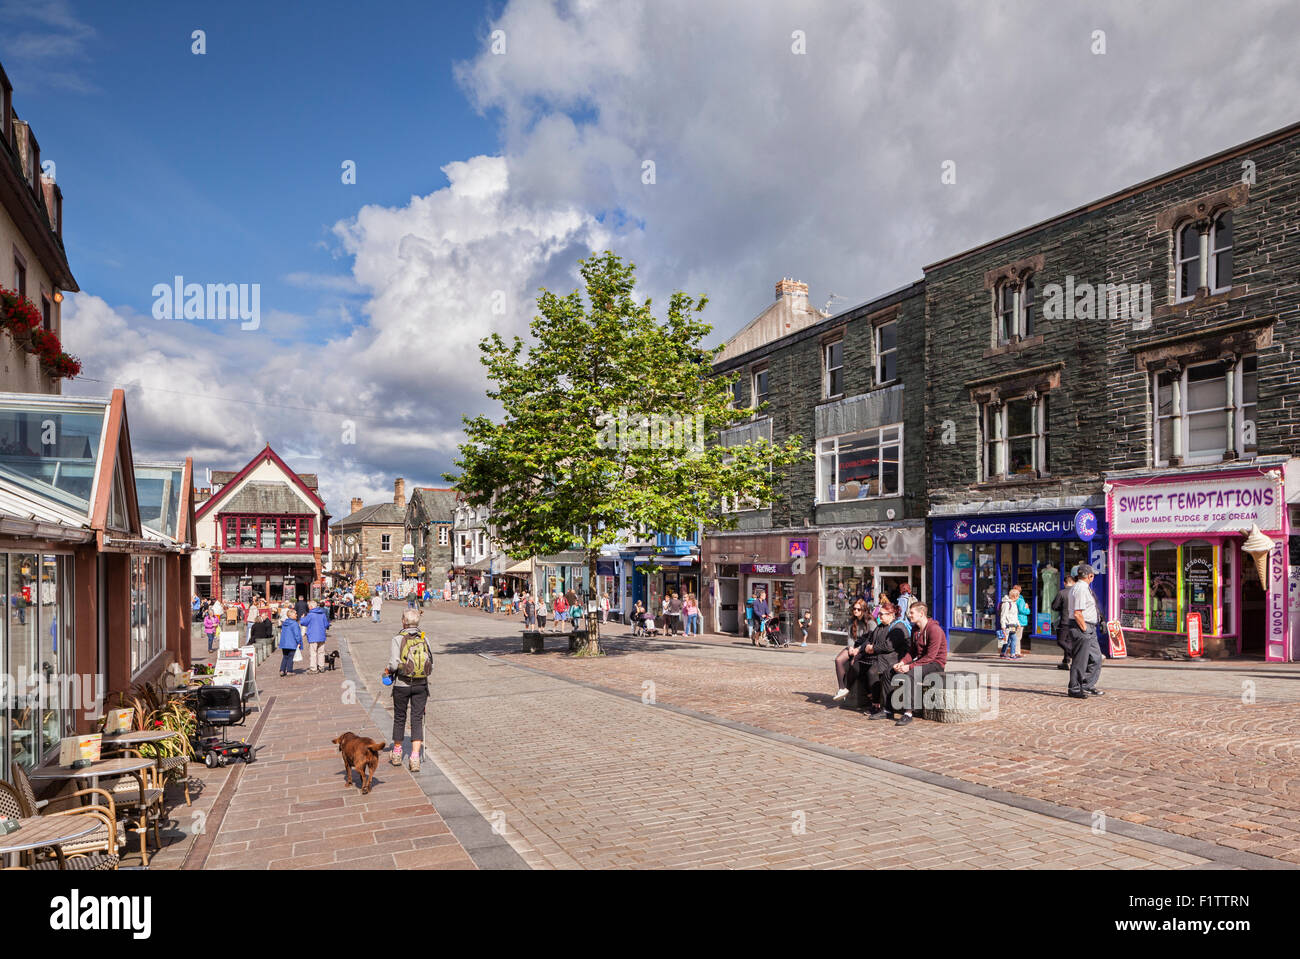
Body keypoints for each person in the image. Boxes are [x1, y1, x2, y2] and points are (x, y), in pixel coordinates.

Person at [386, 609, 433, 772]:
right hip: (421, 684)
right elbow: (431, 662)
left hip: (401, 684)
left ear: (404, 622)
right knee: (416, 719)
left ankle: (397, 753)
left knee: (400, 717)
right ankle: (415, 757)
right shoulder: (424, 637)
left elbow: (393, 664)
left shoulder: (398, 638)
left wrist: (387, 671)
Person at [889, 602, 948, 726]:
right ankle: (886, 708)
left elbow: (931, 657)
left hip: (936, 663)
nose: (909, 615)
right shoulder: (915, 629)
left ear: (921, 614)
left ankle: (908, 713)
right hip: (923, 661)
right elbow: (912, 652)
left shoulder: (934, 630)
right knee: (890, 671)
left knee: (910, 674)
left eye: (912, 613)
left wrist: (909, 666)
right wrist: (902, 662)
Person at [862, 600, 911, 718]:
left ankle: (878, 705)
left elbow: (889, 646)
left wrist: (873, 648)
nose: (878, 616)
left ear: (891, 615)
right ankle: (872, 701)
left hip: (895, 658)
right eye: (879, 614)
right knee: (860, 666)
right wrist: (867, 647)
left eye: (881, 614)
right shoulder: (881, 626)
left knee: (873, 671)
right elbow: (870, 638)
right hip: (882, 656)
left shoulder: (899, 626)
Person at [1066, 565, 1104, 699]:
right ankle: (1075, 688)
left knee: (1096, 658)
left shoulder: (1083, 588)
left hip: (1089, 627)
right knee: (1080, 660)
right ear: (1090, 576)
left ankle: (1086, 685)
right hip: (1082, 626)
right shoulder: (1080, 589)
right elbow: (1077, 613)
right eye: (1093, 575)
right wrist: (1085, 629)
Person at [832, 599, 874, 701]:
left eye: (858, 609)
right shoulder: (852, 621)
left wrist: (858, 649)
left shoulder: (871, 622)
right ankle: (842, 689)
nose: (855, 611)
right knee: (838, 660)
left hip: (864, 648)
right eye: (854, 609)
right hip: (853, 647)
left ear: (864, 610)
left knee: (854, 664)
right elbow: (850, 637)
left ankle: (868, 694)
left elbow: (871, 639)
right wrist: (851, 647)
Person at [1051, 574, 1076, 670]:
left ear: (1064, 583)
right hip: (1074, 621)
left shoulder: (1062, 593)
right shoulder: (1076, 593)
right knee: (1068, 641)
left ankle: (1073, 653)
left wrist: (1062, 608)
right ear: (1073, 582)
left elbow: (1054, 606)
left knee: (1060, 641)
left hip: (1065, 620)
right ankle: (1066, 662)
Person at [302, 600, 330, 674]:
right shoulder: (322, 614)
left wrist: (302, 618)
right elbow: (326, 624)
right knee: (321, 652)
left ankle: (313, 668)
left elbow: (303, 623)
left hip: (313, 636)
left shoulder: (310, 615)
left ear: (311, 607)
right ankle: (321, 667)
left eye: (309, 606)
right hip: (321, 635)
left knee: (313, 653)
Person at [999, 585, 1023, 659]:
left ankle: (1003, 653)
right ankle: (1012, 654)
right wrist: (1003, 625)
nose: (1018, 598)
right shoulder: (1007, 604)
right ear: (1014, 596)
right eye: (1017, 596)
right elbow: (1003, 615)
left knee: (1008, 640)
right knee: (1014, 639)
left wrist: (1018, 623)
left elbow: (1015, 616)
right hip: (1008, 624)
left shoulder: (1014, 604)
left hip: (1013, 624)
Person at [278, 608, 303, 677]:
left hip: (284, 643)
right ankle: (289, 670)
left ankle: (282, 670)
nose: (296, 615)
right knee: (291, 657)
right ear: (291, 615)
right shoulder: (294, 624)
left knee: (285, 656)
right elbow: (297, 634)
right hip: (292, 643)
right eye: (295, 614)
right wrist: (299, 642)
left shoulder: (285, 623)